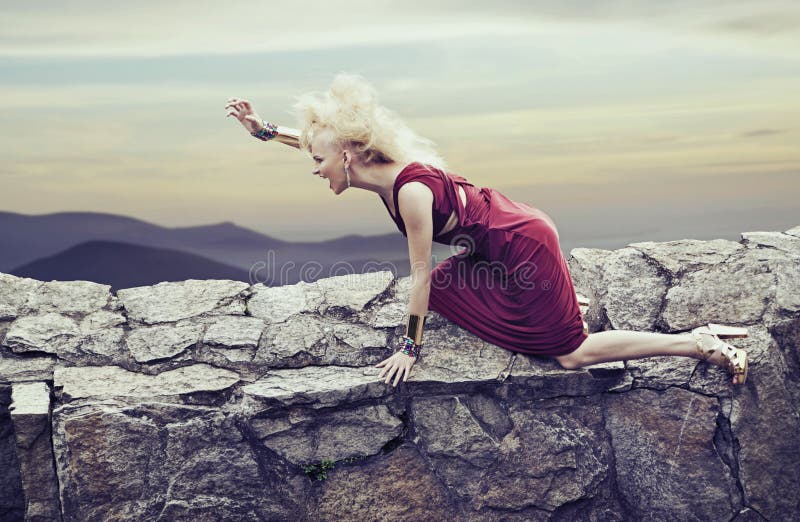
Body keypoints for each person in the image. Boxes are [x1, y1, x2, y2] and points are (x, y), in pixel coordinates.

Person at [224, 73, 748, 387]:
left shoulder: (408, 192)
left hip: (521, 244)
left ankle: (693, 344)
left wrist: (409, 349)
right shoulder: (373, 166)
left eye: (318, 162)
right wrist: (263, 131)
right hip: (494, 244)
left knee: (568, 353)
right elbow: (317, 141)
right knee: (447, 290)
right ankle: (558, 300)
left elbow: (419, 274)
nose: (315, 169)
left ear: (345, 156)